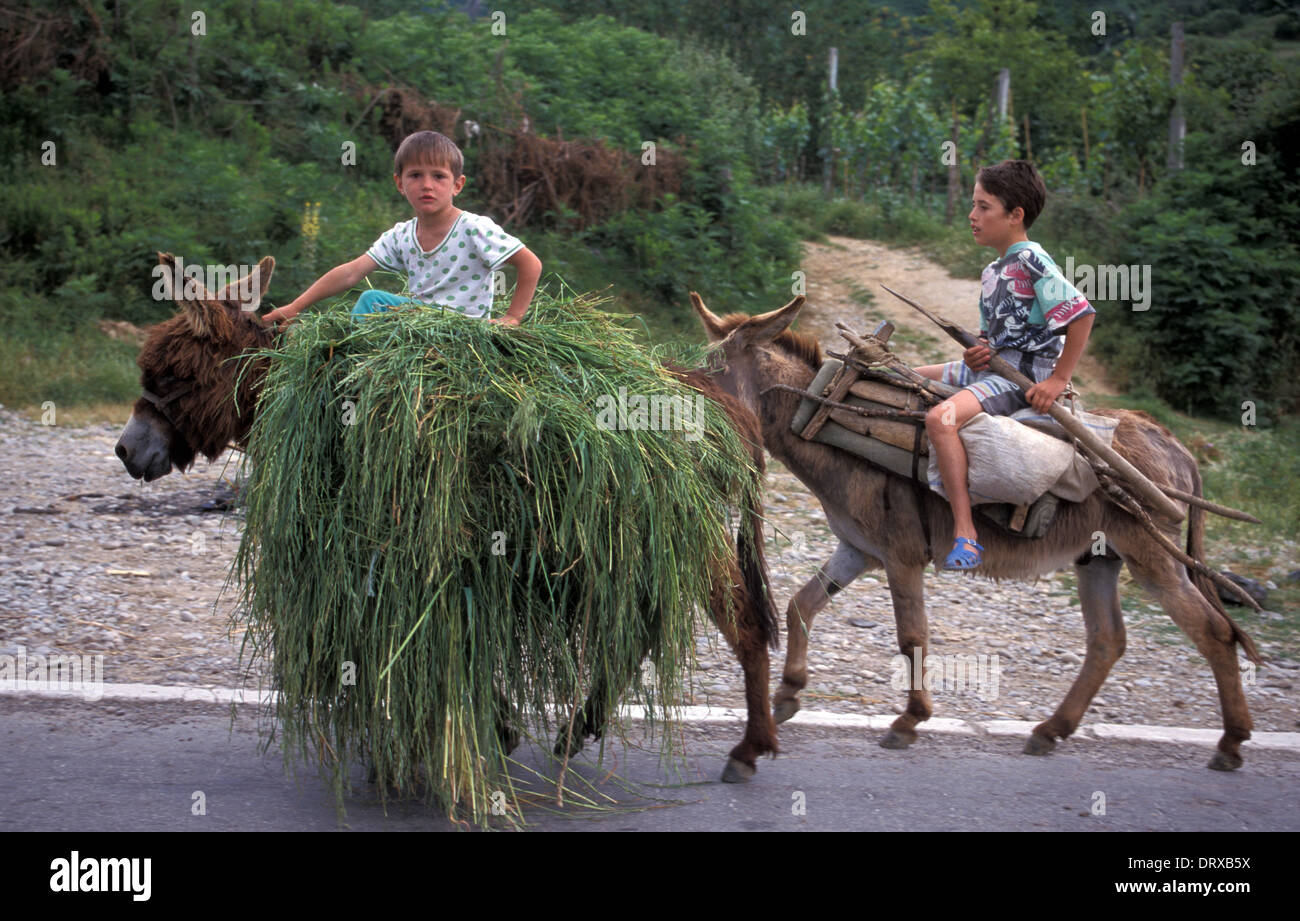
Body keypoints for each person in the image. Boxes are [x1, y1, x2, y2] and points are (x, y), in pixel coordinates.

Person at [915, 159, 1094, 571]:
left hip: (1018, 376)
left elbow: (1082, 315)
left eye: (983, 207)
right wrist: (978, 350)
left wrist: (1058, 378)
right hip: (991, 367)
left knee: (940, 418)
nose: (972, 215)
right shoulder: (993, 269)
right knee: (900, 374)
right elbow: (992, 336)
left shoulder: (1032, 261)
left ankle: (965, 532)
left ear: (1016, 216)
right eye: (973, 205)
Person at [262, 130, 542, 327]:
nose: (427, 185)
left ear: (458, 184)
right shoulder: (401, 235)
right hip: (416, 325)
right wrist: (294, 307)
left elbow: (530, 264)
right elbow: (351, 273)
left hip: (463, 329)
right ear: (400, 183)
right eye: (416, 175)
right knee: (371, 304)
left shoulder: (473, 227)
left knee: (372, 300)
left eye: (439, 176)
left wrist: (512, 318)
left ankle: (349, 368)